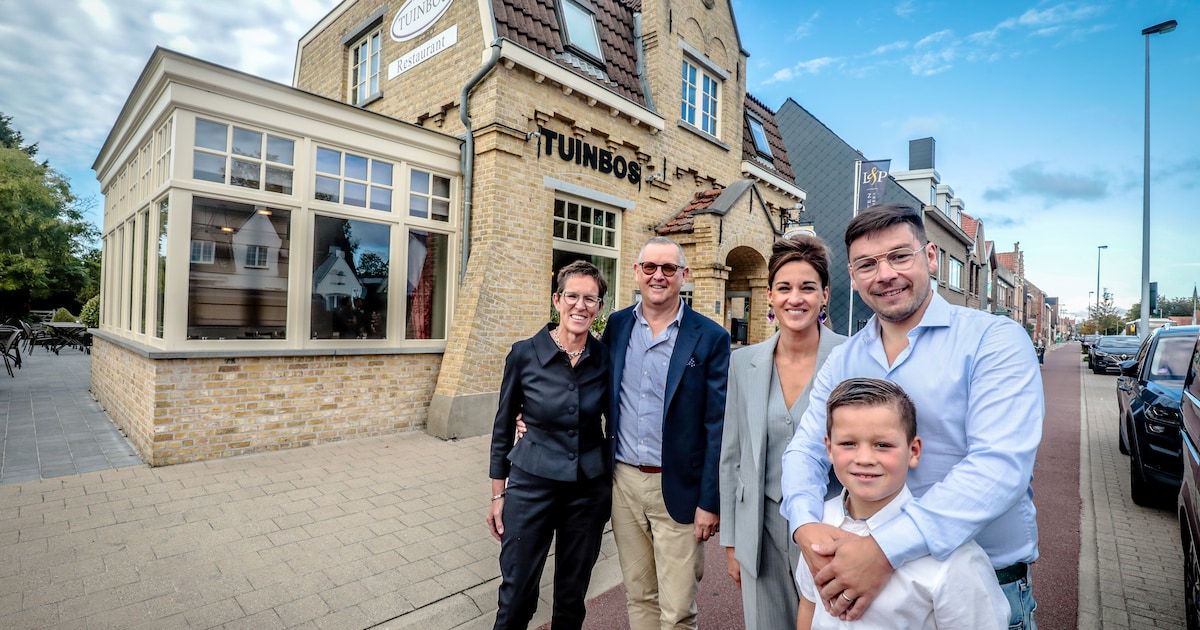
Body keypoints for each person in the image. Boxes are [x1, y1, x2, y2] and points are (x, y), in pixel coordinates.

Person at [782, 203, 1043, 628]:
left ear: (931, 257)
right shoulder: (843, 360)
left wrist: (884, 549)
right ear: (853, 275)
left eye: (900, 256)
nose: (884, 274)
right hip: (857, 579)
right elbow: (806, 451)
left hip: (978, 586)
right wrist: (805, 524)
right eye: (866, 264)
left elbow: (1000, 466)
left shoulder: (994, 341)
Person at [795, 377, 1007, 630]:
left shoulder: (954, 558)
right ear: (829, 448)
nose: (864, 458)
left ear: (914, 451)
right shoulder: (817, 525)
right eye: (848, 443)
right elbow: (809, 605)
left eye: (882, 445)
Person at [719, 233, 847, 629]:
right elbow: (732, 455)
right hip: (761, 526)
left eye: (808, 287)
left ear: (825, 295)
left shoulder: (851, 357)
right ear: (771, 296)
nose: (796, 298)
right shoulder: (744, 362)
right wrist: (732, 539)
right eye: (784, 288)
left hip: (832, 525)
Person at [603, 236, 730, 630]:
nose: (659, 276)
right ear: (637, 273)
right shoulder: (618, 324)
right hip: (623, 483)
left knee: (677, 611)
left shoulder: (710, 337)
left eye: (669, 268)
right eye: (650, 268)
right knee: (638, 595)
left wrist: (711, 501)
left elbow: (718, 425)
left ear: (684, 276)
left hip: (678, 487)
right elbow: (591, 387)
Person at [486, 261, 613, 630]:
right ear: (557, 300)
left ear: (599, 308)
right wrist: (498, 495)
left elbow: (616, 421)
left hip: (588, 491)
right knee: (516, 597)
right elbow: (502, 426)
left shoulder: (605, 359)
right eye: (572, 296)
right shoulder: (524, 354)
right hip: (531, 487)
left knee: (572, 599)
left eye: (590, 299)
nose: (581, 306)